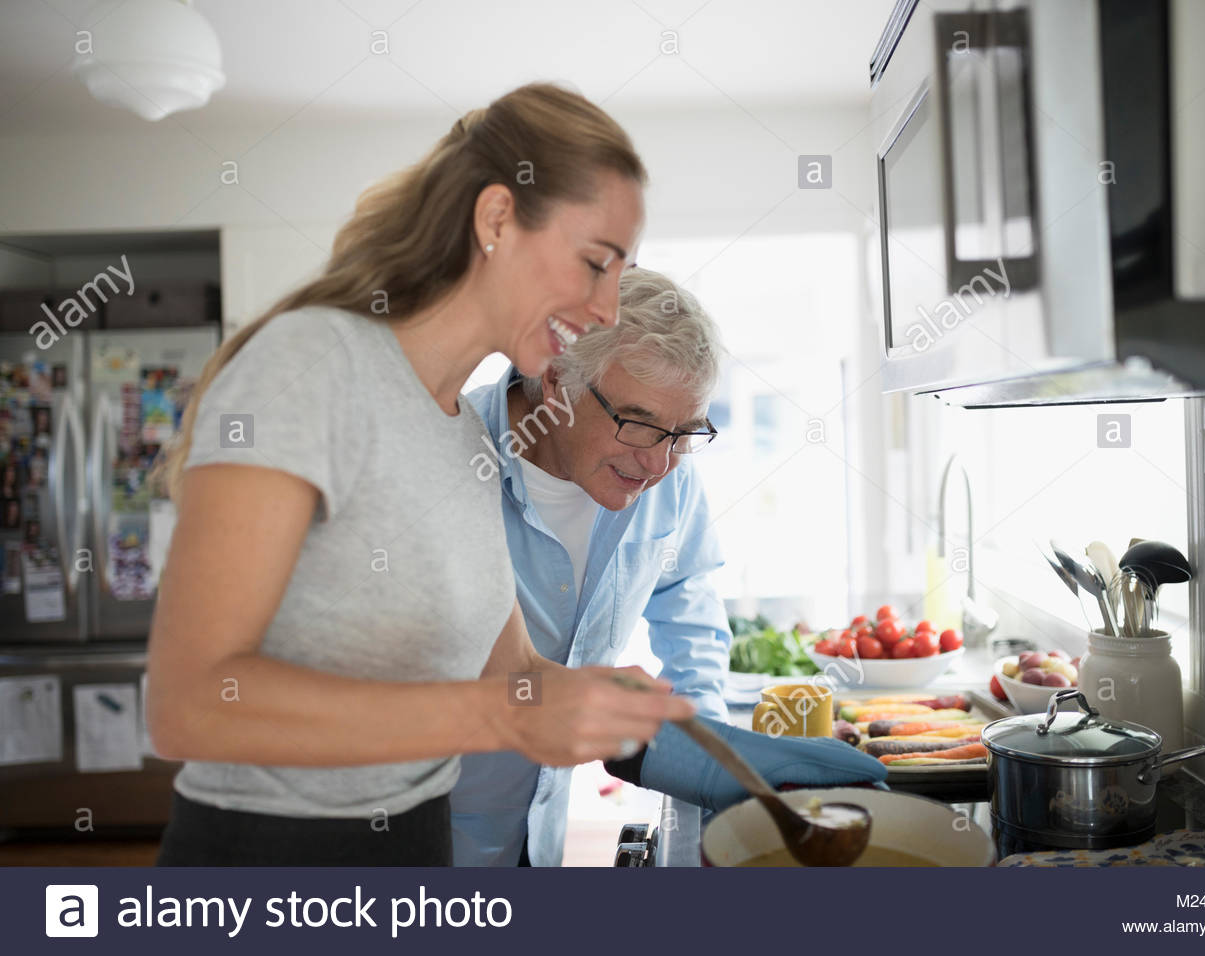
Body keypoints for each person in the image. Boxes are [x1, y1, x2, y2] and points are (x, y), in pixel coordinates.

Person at [144, 83, 694, 867]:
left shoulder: (466, 435)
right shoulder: (311, 365)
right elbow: (188, 704)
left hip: (412, 846)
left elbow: (515, 673)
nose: (608, 308)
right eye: (596, 264)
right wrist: (507, 715)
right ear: (498, 219)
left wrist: (608, 705)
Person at [451, 267, 886, 867]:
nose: (656, 464)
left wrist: (709, 749)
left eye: (684, 433)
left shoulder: (664, 474)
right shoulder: (449, 466)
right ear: (556, 382)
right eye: (638, 423)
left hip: (542, 834)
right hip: (422, 840)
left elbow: (690, 606)